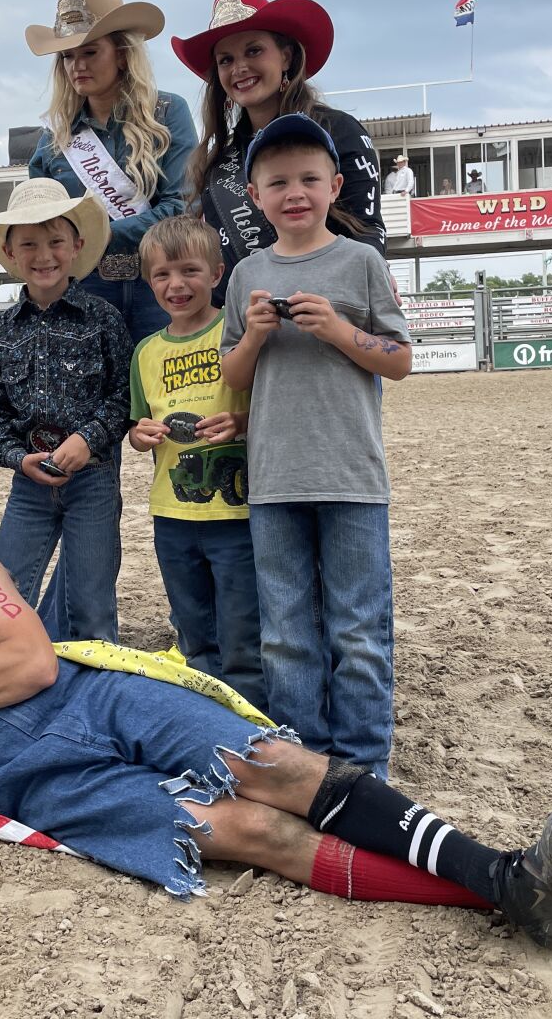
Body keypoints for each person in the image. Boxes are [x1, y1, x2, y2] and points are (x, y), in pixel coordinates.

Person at [0, 430, 552, 954]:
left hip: (84, 698)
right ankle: (515, 894)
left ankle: (502, 874)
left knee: (272, 763)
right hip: (31, 780)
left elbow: (30, 663)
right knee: (250, 830)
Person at [220, 115, 412, 778]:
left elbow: (400, 359)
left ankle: (364, 767)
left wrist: (336, 329)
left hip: (353, 478)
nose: (293, 191)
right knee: (286, 635)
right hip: (273, 480)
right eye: (277, 181)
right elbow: (234, 377)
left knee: (358, 632)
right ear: (253, 193)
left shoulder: (361, 262)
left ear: (336, 185)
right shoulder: (246, 274)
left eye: (308, 178)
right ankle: (306, 764)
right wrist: (252, 338)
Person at [0, 180, 131, 643]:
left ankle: (94, 702)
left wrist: (88, 439)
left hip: (94, 478)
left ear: (77, 245)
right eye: (30, 244)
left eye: (56, 241)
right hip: (29, 483)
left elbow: (123, 396)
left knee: (92, 604)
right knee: (5, 594)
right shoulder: (1, 330)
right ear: (11, 251)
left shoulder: (103, 319)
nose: (44, 255)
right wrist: (15, 457)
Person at [127, 216, 264, 711]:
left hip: (236, 512)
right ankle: (207, 714)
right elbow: (139, 427)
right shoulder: (145, 351)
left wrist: (242, 422)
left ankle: (250, 717)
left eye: (189, 270)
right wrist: (139, 435)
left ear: (217, 272)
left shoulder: (238, 331)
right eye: (162, 274)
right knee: (193, 627)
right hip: (172, 515)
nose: (176, 284)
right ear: (148, 281)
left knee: (243, 628)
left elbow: (270, 405)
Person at [173, 0, 386, 303]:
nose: (239, 67)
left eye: (254, 50)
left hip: (333, 312)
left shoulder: (339, 130)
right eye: (226, 60)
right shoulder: (219, 162)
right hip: (252, 330)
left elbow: (368, 232)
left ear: (286, 56)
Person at [25, 0, 195, 342]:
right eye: (68, 57)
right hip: (84, 287)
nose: (77, 66)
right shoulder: (53, 140)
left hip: (160, 281)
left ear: (121, 54)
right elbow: (39, 222)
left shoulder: (168, 113)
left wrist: (90, 237)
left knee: (161, 393)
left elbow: (180, 208)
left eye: (89, 52)